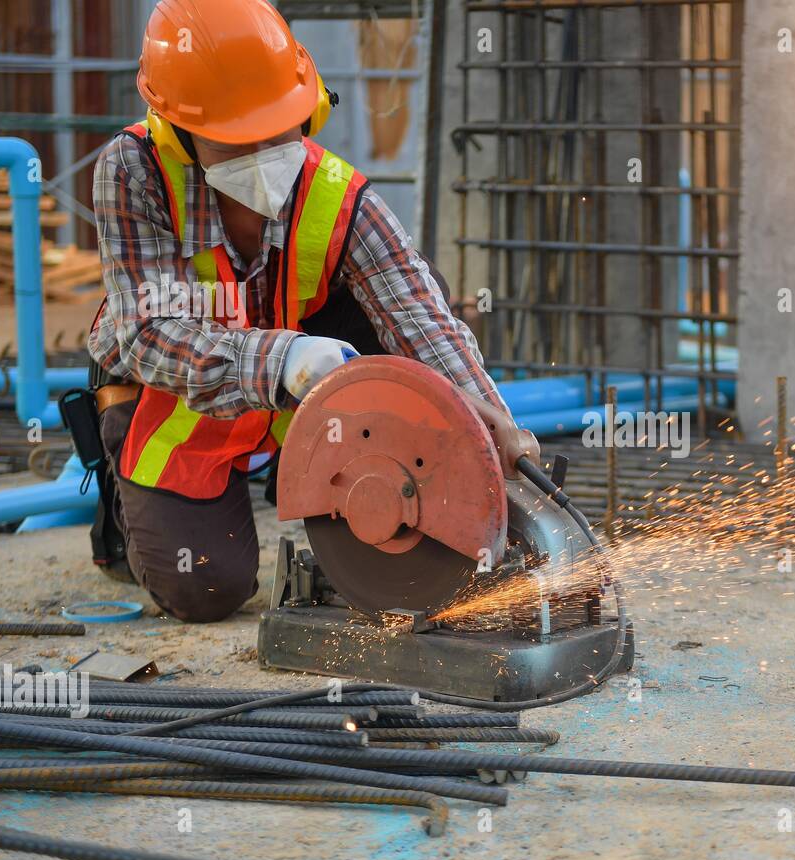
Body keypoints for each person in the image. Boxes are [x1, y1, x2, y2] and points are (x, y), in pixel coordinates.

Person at [86, 0, 537, 622]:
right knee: (205, 589)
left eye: (282, 128)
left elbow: (421, 317)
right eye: (238, 138)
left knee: (417, 282)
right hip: (177, 395)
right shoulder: (132, 170)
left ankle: (318, 479)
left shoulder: (336, 191)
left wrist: (487, 431)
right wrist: (284, 358)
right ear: (178, 132)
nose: (269, 151)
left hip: (302, 399)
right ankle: (124, 498)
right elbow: (145, 334)